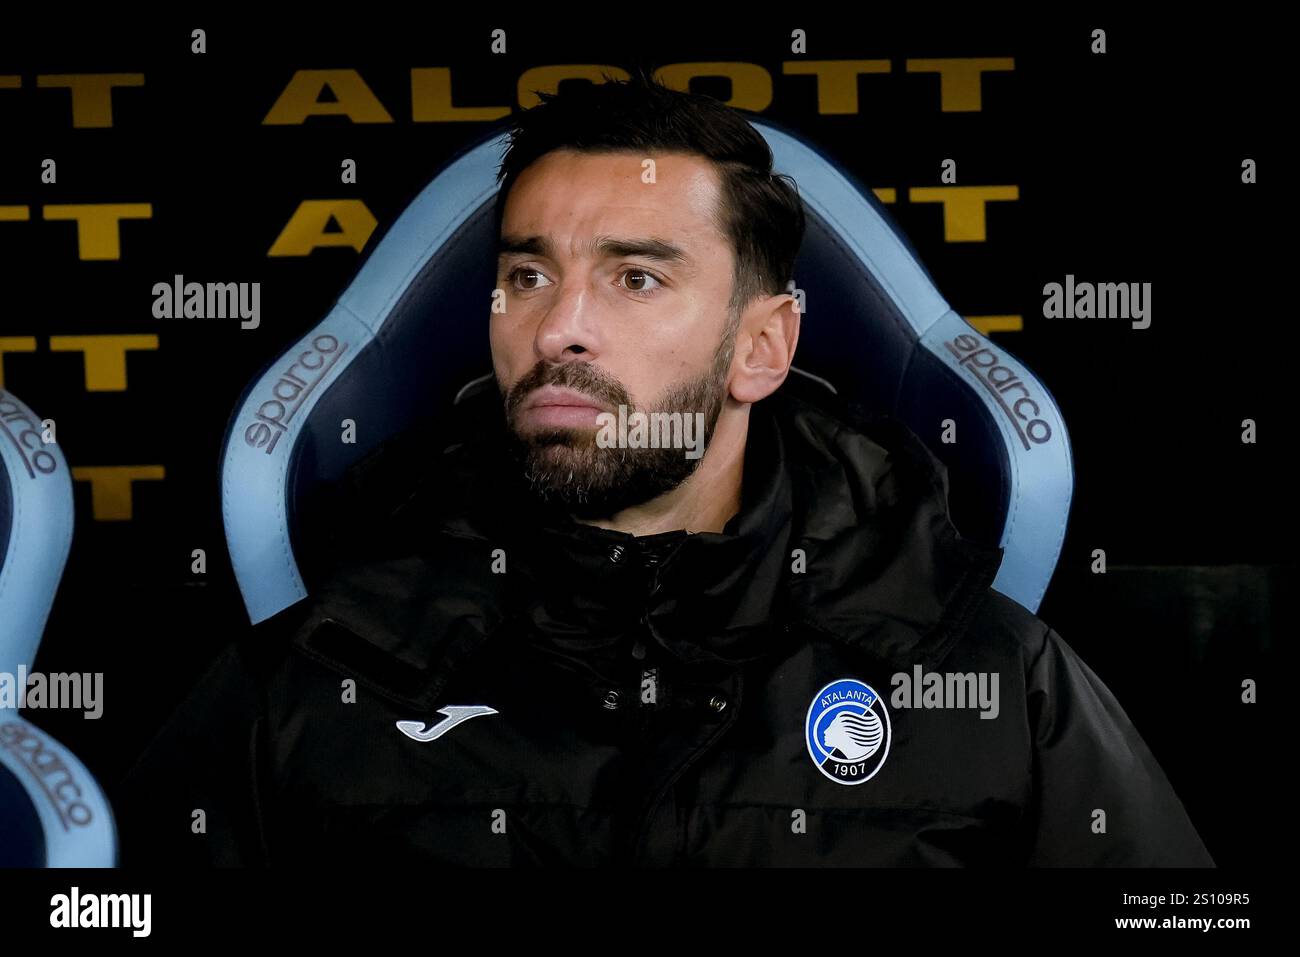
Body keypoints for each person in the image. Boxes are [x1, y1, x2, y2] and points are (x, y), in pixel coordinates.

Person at [114, 69, 1213, 867]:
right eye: (528, 276)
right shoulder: (320, 668)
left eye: (636, 279)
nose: (560, 330)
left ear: (762, 348)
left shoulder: (988, 677)